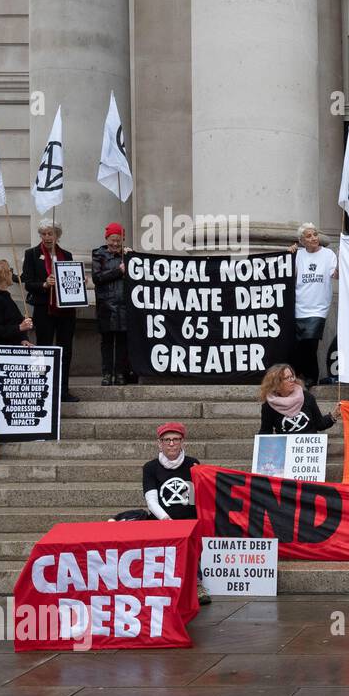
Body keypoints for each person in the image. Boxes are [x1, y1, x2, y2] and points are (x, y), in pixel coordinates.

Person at [141, 422, 210, 604]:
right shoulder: (150, 468)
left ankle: (197, 585)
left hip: (188, 518)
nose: (171, 444)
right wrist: (165, 519)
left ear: (182, 442)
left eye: (176, 439)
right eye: (167, 440)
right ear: (160, 443)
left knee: (192, 540)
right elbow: (151, 500)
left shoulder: (192, 464)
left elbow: (194, 497)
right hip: (162, 519)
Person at [21, 223, 78, 401]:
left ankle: (63, 390)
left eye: (50, 234)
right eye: (44, 234)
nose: (47, 237)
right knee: (43, 348)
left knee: (65, 350)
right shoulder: (31, 254)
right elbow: (28, 282)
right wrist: (44, 284)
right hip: (43, 308)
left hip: (66, 311)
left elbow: (71, 279)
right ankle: (43, 389)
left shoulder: (66, 255)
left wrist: (78, 281)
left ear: (57, 235)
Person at [287, 223, 337, 389]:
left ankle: (310, 377)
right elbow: (287, 274)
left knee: (310, 342)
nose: (314, 238)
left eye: (315, 234)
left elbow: (336, 275)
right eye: (309, 236)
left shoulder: (328, 254)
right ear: (302, 241)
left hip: (318, 308)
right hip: (299, 306)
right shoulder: (299, 255)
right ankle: (299, 375)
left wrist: (343, 260)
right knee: (299, 345)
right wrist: (288, 255)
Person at [91, 222, 133, 385]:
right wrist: (119, 271)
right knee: (107, 342)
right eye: (112, 240)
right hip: (106, 305)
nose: (115, 244)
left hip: (123, 304)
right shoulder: (98, 254)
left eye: (118, 240)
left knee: (122, 342)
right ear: (106, 238)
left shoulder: (127, 255)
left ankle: (120, 373)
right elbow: (97, 278)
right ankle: (107, 373)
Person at [259, 363, 341, 434]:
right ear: (277, 382)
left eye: (292, 376)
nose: (292, 380)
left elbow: (319, 424)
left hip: (308, 447)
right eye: (287, 378)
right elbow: (265, 432)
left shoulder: (307, 397)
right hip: (286, 449)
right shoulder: (269, 405)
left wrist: (334, 415)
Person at [0, 260, 32, 345]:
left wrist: (23, 340)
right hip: (1, 353)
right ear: (4, 275)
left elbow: (13, 322)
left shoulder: (4, 296)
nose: (12, 273)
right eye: (10, 270)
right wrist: (19, 327)